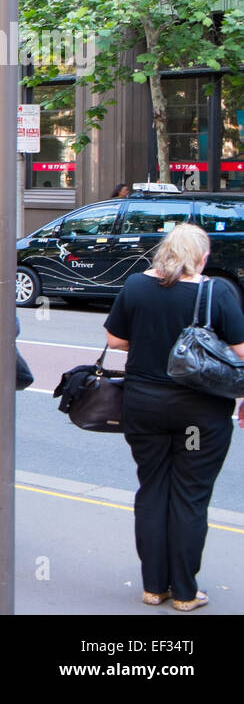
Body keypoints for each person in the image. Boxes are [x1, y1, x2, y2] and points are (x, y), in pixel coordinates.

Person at [104, 223, 244, 611]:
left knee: (152, 490)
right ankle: (184, 591)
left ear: (164, 252)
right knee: (189, 495)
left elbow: (115, 340)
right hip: (198, 419)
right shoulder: (217, 293)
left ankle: (153, 587)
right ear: (201, 257)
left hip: (144, 409)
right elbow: (242, 352)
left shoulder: (135, 286)